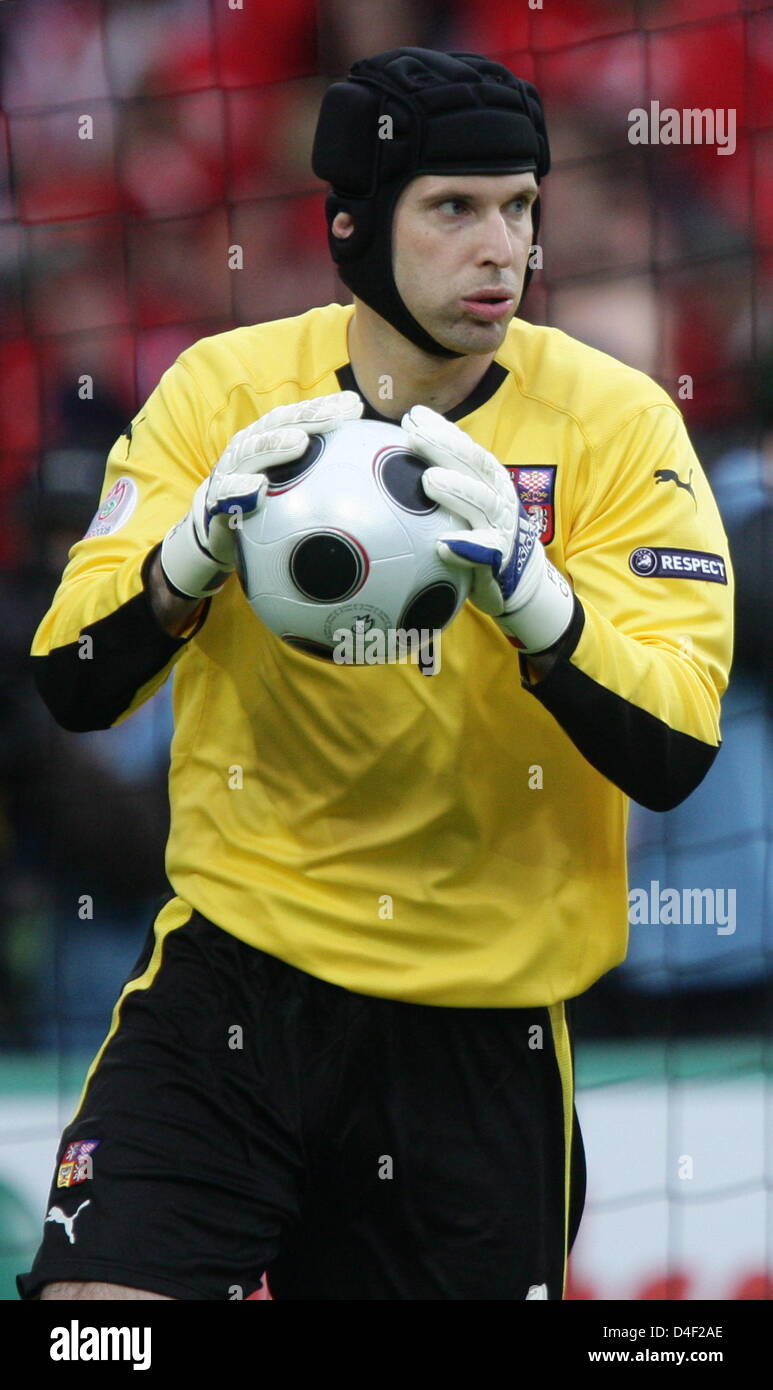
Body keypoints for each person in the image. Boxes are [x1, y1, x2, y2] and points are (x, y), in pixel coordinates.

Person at [19, 47, 733, 1302]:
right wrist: (186, 562)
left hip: (482, 1022)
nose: (500, 248)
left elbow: (674, 750)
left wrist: (536, 599)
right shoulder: (224, 396)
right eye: (453, 208)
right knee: (94, 1332)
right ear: (351, 225)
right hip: (238, 984)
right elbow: (71, 679)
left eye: (519, 206)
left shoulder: (618, 425)